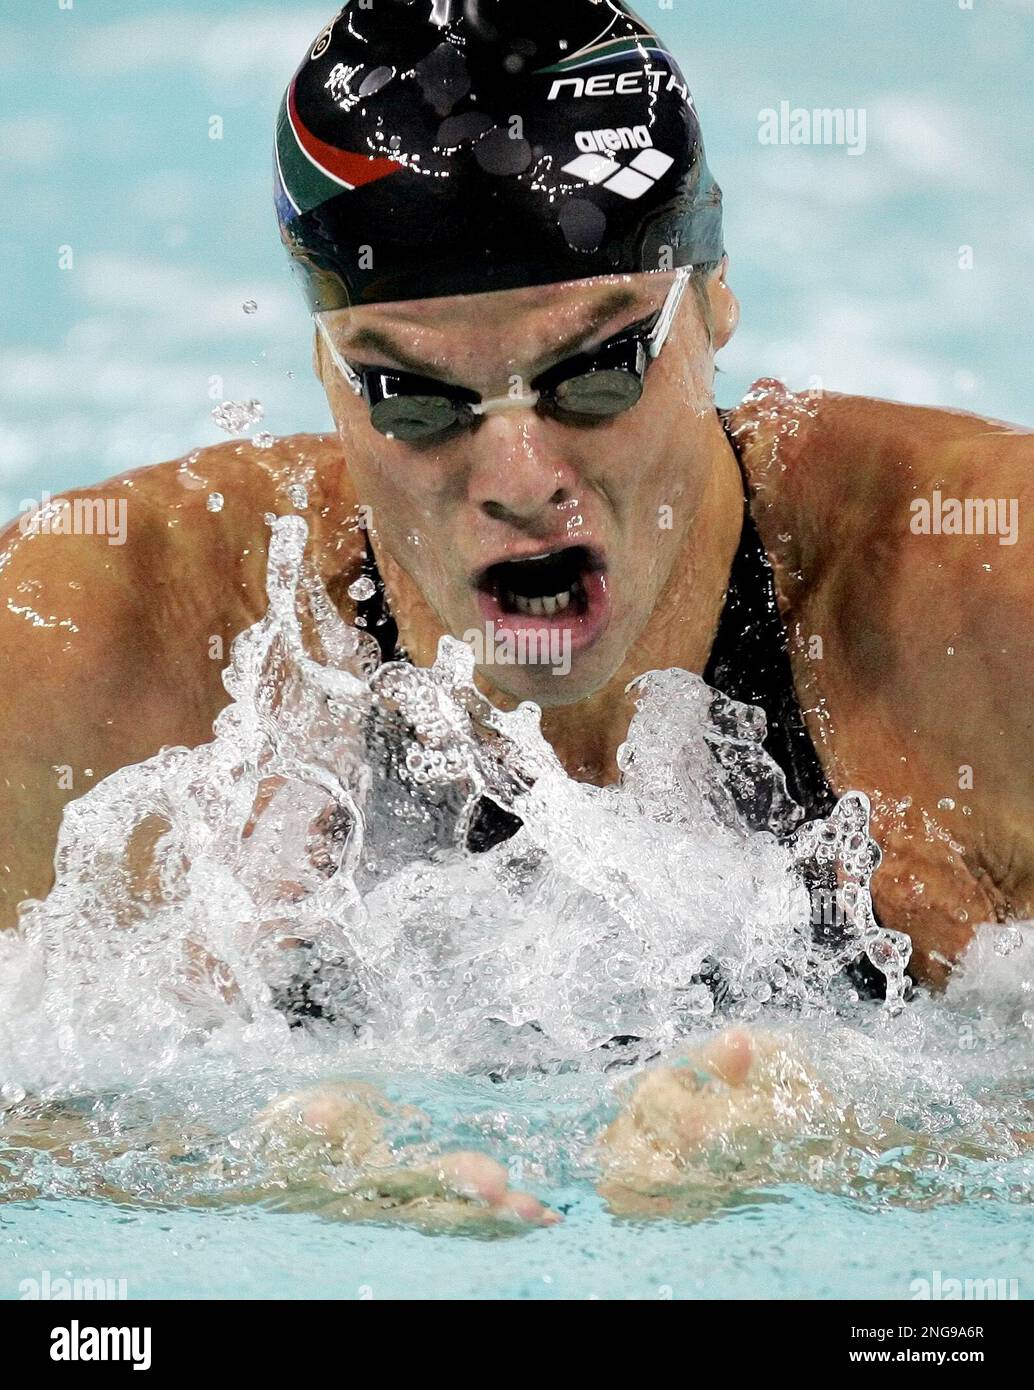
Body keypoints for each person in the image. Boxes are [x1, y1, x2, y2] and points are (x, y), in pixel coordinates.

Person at [1, 1, 1031, 1221]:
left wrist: (877, 1145)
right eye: (414, 398)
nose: (519, 478)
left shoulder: (977, 601)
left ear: (710, 305)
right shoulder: (94, 637)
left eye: (592, 372)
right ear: (327, 371)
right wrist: (220, 1179)